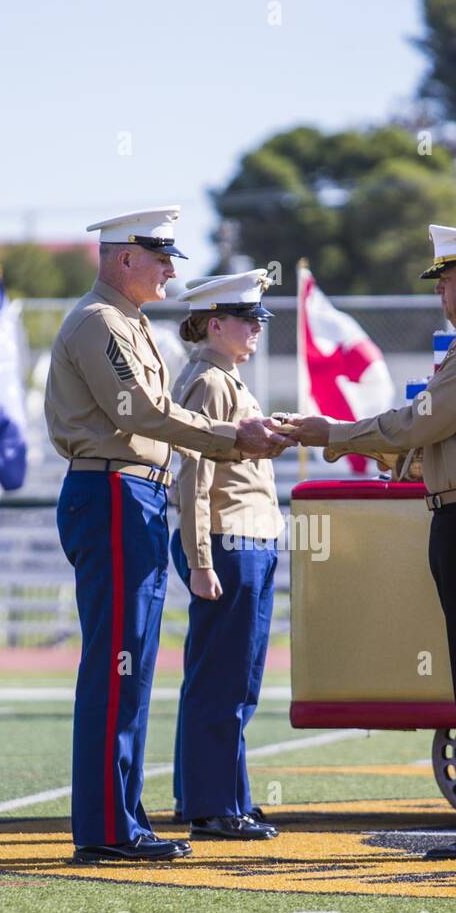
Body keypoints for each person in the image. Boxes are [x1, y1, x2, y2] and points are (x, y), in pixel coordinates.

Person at [280, 224, 456, 859]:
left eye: (448, 280)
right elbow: (443, 435)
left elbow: (422, 421)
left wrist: (331, 433)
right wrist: (395, 453)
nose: (442, 294)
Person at [44, 207, 288, 864]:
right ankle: (108, 828)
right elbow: (141, 411)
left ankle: (121, 817)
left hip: (135, 493)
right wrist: (230, 438)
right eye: (161, 256)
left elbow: (153, 413)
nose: (171, 270)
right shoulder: (101, 323)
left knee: (134, 666)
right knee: (119, 666)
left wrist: (226, 439)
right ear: (125, 258)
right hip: (115, 490)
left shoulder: (126, 324)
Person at [169, 271, 284, 840]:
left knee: (232, 677)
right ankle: (213, 806)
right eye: (247, 318)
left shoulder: (224, 378)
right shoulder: (211, 382)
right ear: (215, 325)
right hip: (227, 538)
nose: (256, 328)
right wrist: (200, 560)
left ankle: (219, 795)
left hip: (244, 537)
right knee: (224, 678)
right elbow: (193, 474)